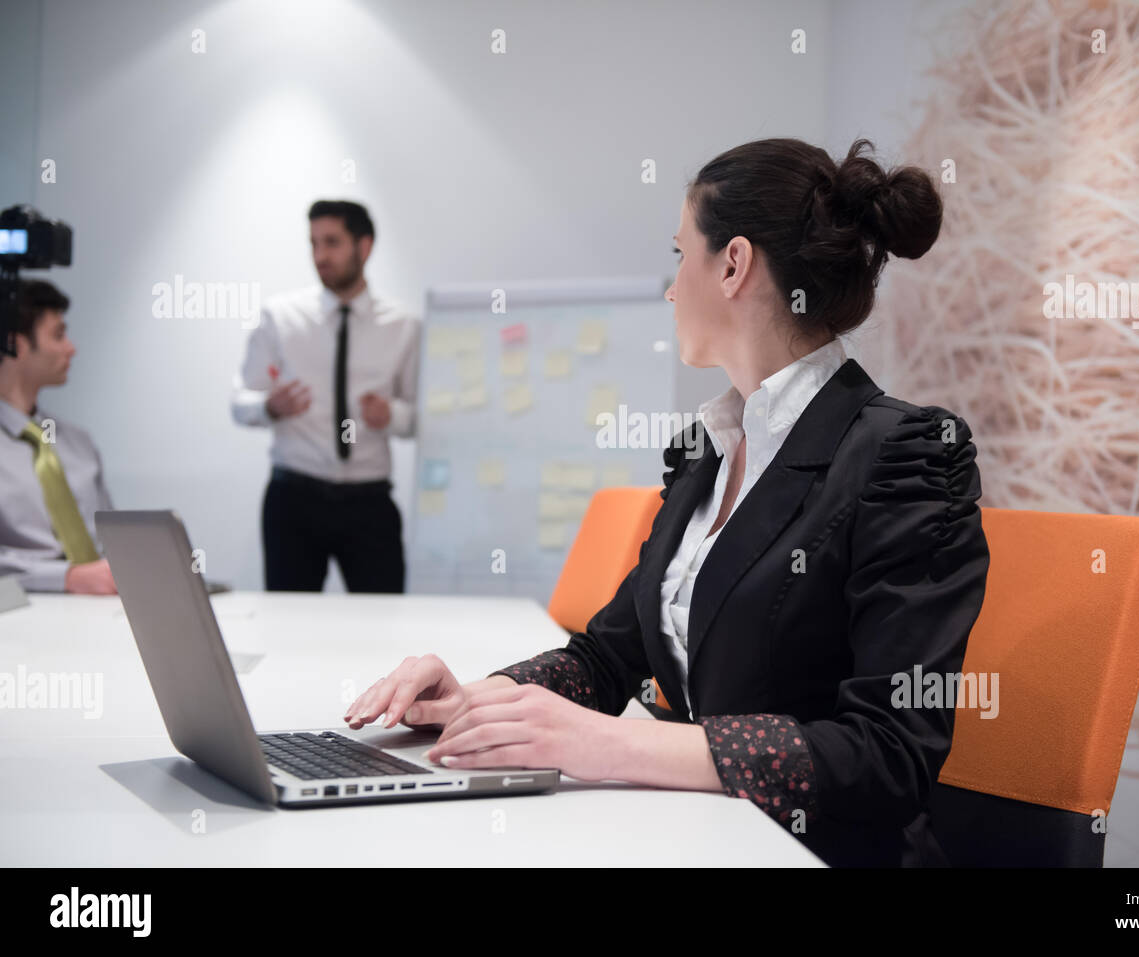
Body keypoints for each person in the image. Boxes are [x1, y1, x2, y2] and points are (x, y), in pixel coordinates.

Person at [342, 138, 992, 867]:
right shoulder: (708, 449)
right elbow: (608, 655)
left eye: (681, 254)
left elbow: (890, 754)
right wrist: (479, 700)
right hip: (696, 838)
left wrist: (617, 741)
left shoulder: (905, 455)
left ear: (733, 264)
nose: (671, 287)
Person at [232, 200, 419, 593]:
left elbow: (420, 416)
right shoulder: (280, 317)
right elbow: (239, 402)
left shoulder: (403, 325)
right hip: (294, 498)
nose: (320, 256)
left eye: (332, 242)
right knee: (288, 623)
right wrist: (269, 407)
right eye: (314, 243)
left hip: (370, 503)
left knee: (384, 622)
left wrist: (393, 415)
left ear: (364, 246)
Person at [0, 280, 117, 594]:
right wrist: (65, 577)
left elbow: (112, 542)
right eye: (58, 335)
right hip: (24, 616)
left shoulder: (78, 443)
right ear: (17, 344)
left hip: (107, 610)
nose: (71, 348)